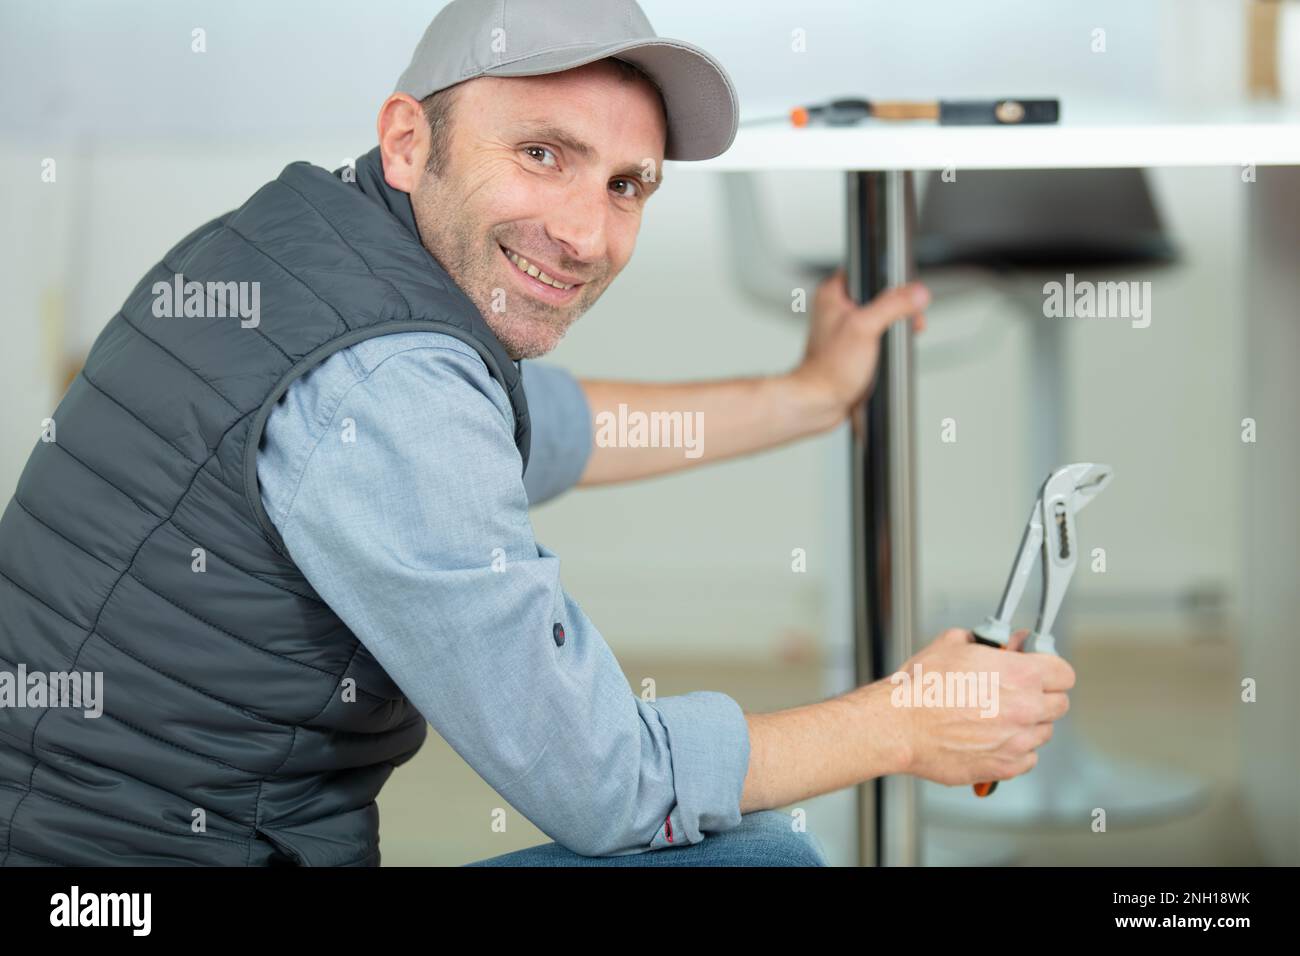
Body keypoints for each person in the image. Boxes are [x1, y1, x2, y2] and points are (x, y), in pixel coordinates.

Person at [0, 0, 1072, 867]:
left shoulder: (304, 244)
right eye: (543, 153)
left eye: (625, 185)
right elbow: (608, 786)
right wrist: (908, 720)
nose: (583, 233)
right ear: (409, 139)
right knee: (754, 862)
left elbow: (544, 428)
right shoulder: (389, 385)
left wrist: (808, 394)